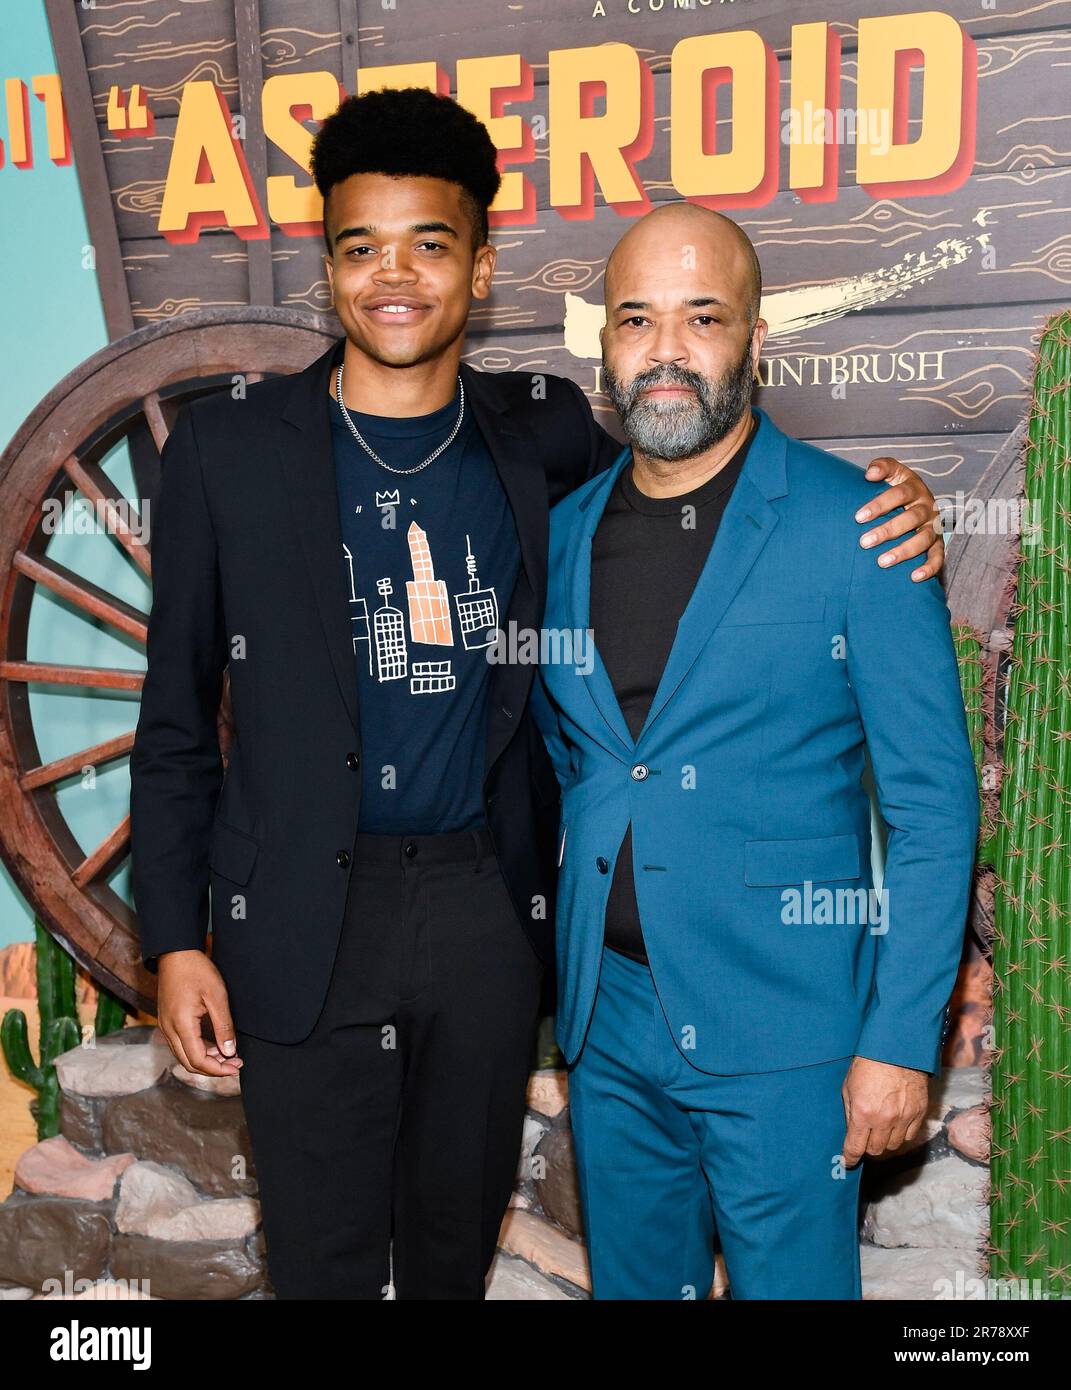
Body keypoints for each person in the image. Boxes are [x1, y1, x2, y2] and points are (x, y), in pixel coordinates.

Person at [129, 88, 947, 1301]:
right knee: (320, 1264)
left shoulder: (542, 437)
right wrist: (173, 938)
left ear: (482, 269)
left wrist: (896, 502)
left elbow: (700, 491)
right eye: (360, 247)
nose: (392, 276)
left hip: (492, 925)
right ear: (327, 268)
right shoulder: (226, 452)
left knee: (456, 1251)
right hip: (311, 922)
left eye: (428, 244)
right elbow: (175, 725)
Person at [530, 202, 980, 1300]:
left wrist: (898, 1041)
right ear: (603, 344)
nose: (666, 350)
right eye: (635, 319)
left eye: (702, 317)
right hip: (608, 1024)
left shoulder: (855, 525)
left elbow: (932, 807)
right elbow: (569, 760)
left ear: (755, 340)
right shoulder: (559, 533)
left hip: (789, 1036)